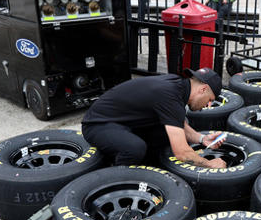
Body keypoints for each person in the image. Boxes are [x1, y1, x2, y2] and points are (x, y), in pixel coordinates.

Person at [82, 68, 227, 168]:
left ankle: (145, 164)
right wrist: (209, 164)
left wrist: (201, 139)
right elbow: (182, 153)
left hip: (125, 122)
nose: (208, 105)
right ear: (202, 89)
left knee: (167, 134)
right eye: (210, 99)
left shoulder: (178, 87)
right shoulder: (170, 96)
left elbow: (179, 124)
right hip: (98, 124)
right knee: (134, 148)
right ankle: (115, 176)